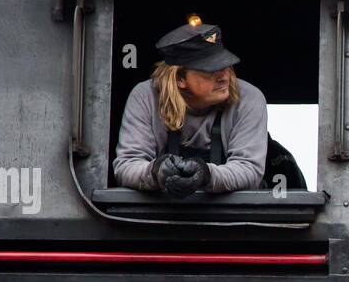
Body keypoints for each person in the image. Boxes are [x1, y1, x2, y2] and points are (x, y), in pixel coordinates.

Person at [113, 18, 268, 196]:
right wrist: (157, 171)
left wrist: (206, 174)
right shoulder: (145, 97)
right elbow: (126, 165)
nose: (224, 77)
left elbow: (250, 169)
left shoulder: (249, 98)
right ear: (180, 79)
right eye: (210, 70)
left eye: (225, 66)